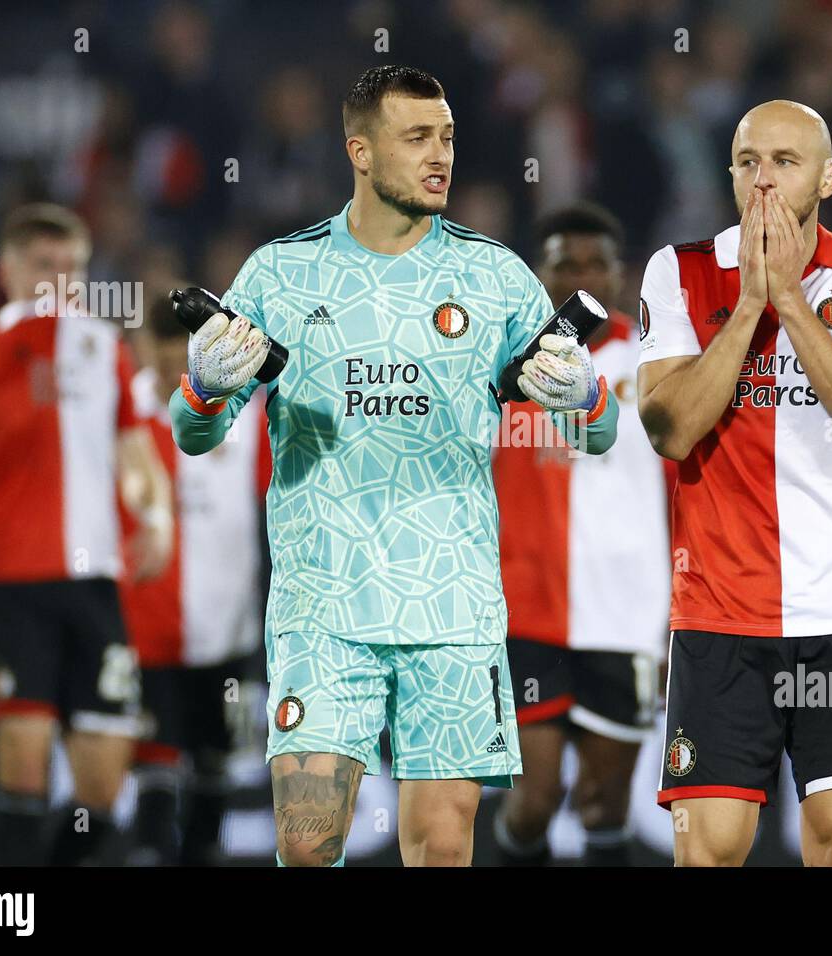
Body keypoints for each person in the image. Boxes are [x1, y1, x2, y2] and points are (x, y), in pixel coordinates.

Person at [167, 65, 620, 867]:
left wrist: (587, 398)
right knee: (306, 847)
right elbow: (195, 438)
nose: (440, 155)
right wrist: (204, 390)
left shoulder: (495, 277)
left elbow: (602, 432)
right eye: (417, 138)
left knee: (441, 851)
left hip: (453, 609)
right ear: (361, 152)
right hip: (322, 609)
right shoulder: (281, 273)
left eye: (446, 137)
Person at [637, 100, 832, 866]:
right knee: (710, 847)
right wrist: (746, 311)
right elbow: (670, 428)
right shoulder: (681, 270)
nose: (763, 178)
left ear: (828, 176)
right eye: (747, 162)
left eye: (785, 161)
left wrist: (792, 302)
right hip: (719, 614)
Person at [0, 203, 173, 865]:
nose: (58, 278)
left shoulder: (108, 352)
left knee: (103, 789)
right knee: (23, 775)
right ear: (9, 271)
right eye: (42, 265)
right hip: (12, 588)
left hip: (95, 587)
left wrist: (157, 514)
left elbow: (137, 458)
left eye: (70, 266)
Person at [492, 202, 670, 866]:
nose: (583, 274)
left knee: (603, 803)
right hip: (527, 613)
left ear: (620, 274)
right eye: (566, 262)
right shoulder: (501, 366)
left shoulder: (656, 363)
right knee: (536, 799)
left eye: (598, 262)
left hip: (625, 617)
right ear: (539, 272)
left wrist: (681, 608)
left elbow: (683, 493)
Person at [120, 292, 270, 866]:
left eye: (174, 361)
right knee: (155, 780)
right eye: (154, 360)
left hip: (227, 630)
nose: (163, 373)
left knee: (212, 774)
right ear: (137, 351)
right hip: (143, 634)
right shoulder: (118, 416)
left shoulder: (244, 416)